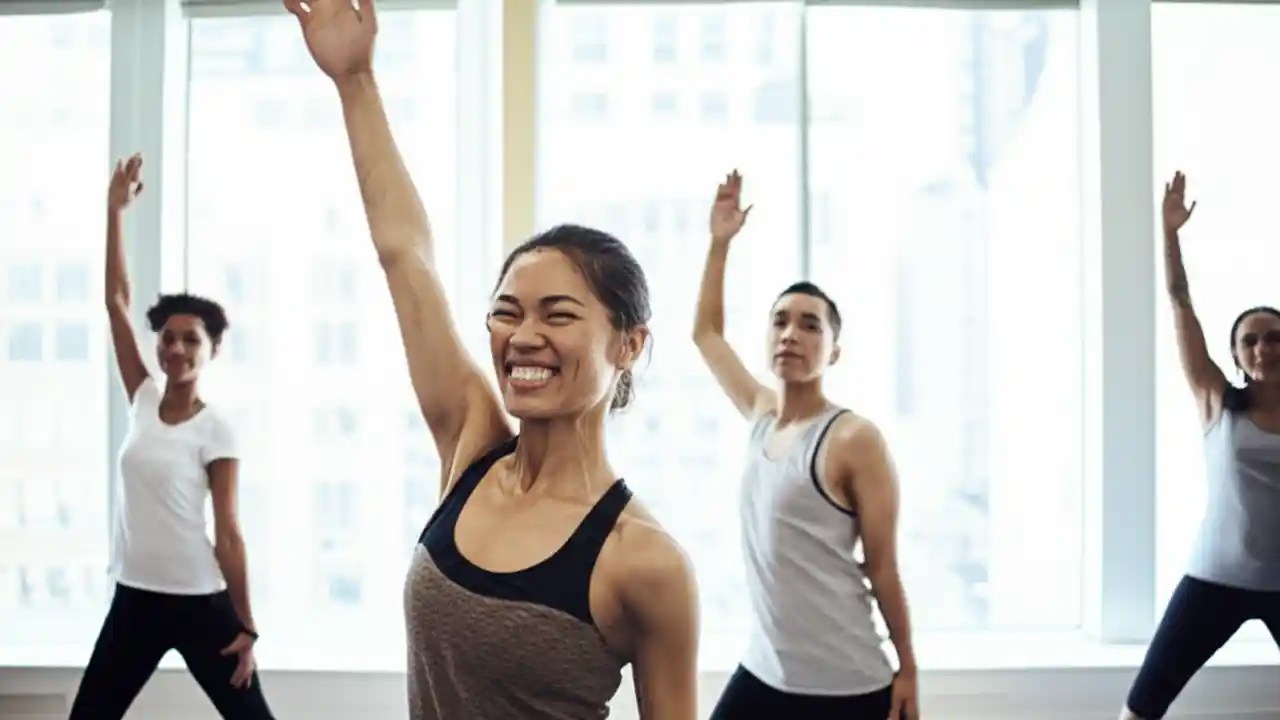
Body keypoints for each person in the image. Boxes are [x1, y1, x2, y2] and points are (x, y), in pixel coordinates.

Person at [282, 1, 700, 718]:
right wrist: (355, 82)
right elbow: (404, 255)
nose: (523, 336)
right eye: (507, 312)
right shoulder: (471, 446)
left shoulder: (643, 560)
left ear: (629, 344)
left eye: (557, 314)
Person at [694, 171, 920, 720]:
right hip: (767, 668)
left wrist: (908, 668)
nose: (791, 333)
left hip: (844, 680)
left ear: (834, 351)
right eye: (780, 322)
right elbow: (706, 334)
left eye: (810, 326)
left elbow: (883, 566)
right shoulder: (761, 415)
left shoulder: (853, 439)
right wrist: (719, 242)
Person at [68, 154, 272, 720]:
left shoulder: (217, 427)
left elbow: (228, 533)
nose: (176, 348)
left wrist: (247, 624)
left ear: (211, 351)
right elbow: (116, 303)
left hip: (199, 602)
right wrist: (116, 212)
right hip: (134, 600)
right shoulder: (143, 398)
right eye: (168, 338)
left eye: (191, 340)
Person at [1120, 171, 1280, 720]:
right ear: (1236, 356)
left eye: (1275, 336)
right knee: (1143, 706)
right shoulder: (1218, 405)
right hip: (1215, 578)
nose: (1264, 347)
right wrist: (1170, 235)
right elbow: (1179, 300)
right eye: (1250, 340)